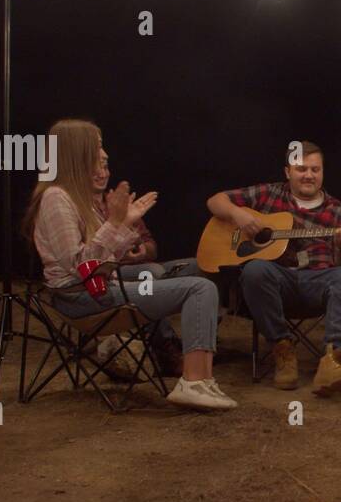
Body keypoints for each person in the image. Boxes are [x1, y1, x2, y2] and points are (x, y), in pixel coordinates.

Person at [23, 119, 235, 412]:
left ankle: (199, 377)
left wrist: (124, 223)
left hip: (100, 288)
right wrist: (116, 223)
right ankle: (194, 382)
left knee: (197, 275)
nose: (102, 153)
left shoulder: (76, 197)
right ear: (76, 152)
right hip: (81, 298)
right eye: (95, 146)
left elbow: (104, 258)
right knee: (199, 289)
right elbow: (78, 266)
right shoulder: (56, 198)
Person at [206, 142, 341, 397]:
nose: (309, 175)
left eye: (315, 169)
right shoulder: (269, 194)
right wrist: (237, 214)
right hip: (277, 284)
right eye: (302, 169)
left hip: (318, 282)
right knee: (255, 270)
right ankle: (283, 350)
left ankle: (334, 361)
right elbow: (214, 201)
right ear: (288, 172)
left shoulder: (336, 210)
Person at [89, 143, 196, 376]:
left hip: (143, 266)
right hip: (112, 276)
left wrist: (143, 251)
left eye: (105, 166)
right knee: (152, 275)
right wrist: (122, 248)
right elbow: (89, 258)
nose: (103, 173)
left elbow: (151, 245)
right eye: (95, 166)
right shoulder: (82, 208)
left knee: (198, 267)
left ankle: (195, 345)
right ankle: (165, 347)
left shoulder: (119, 201)